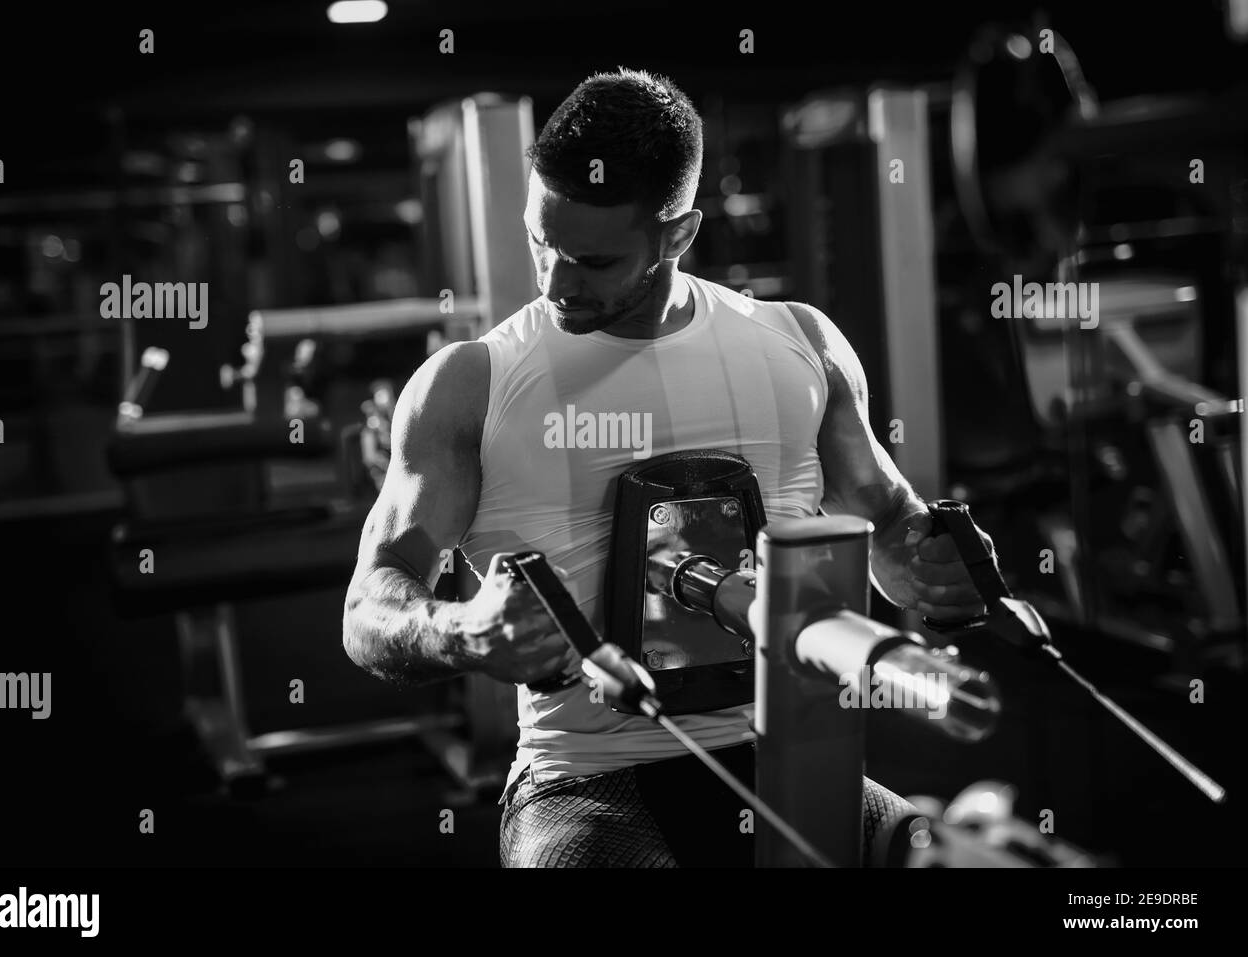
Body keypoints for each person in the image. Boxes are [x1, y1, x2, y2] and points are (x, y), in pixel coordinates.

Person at [343, 67, 996, 867]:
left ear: (678, 235)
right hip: (585, 777)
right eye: (540, 241)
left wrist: (936, 574)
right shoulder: (470, 384)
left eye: (592, 260)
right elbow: (370, 602)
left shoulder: (801, 345)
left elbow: (890, 526)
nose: (554, 281)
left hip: (795, 752)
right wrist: (458, 630)